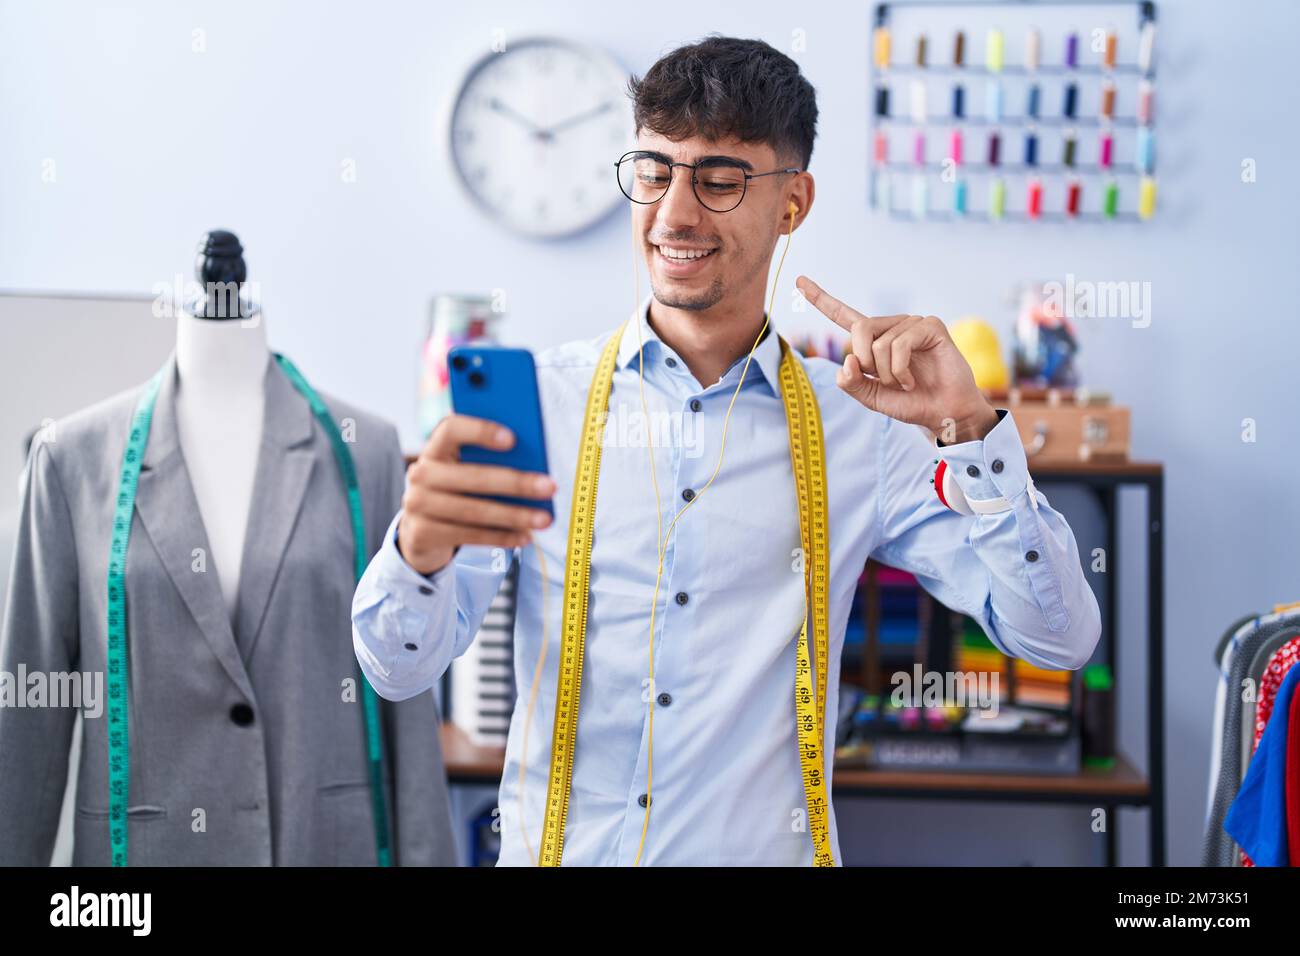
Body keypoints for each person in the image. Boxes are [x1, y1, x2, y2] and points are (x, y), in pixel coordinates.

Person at [352, 36, 1101, 866]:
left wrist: (972, 434)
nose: (673, 214)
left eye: (718, 180)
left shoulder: (861, 426)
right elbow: (398, 671)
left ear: (793, 202)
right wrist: (416, 554)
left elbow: (1058, 641)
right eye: (653, 171)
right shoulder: (540, 408)